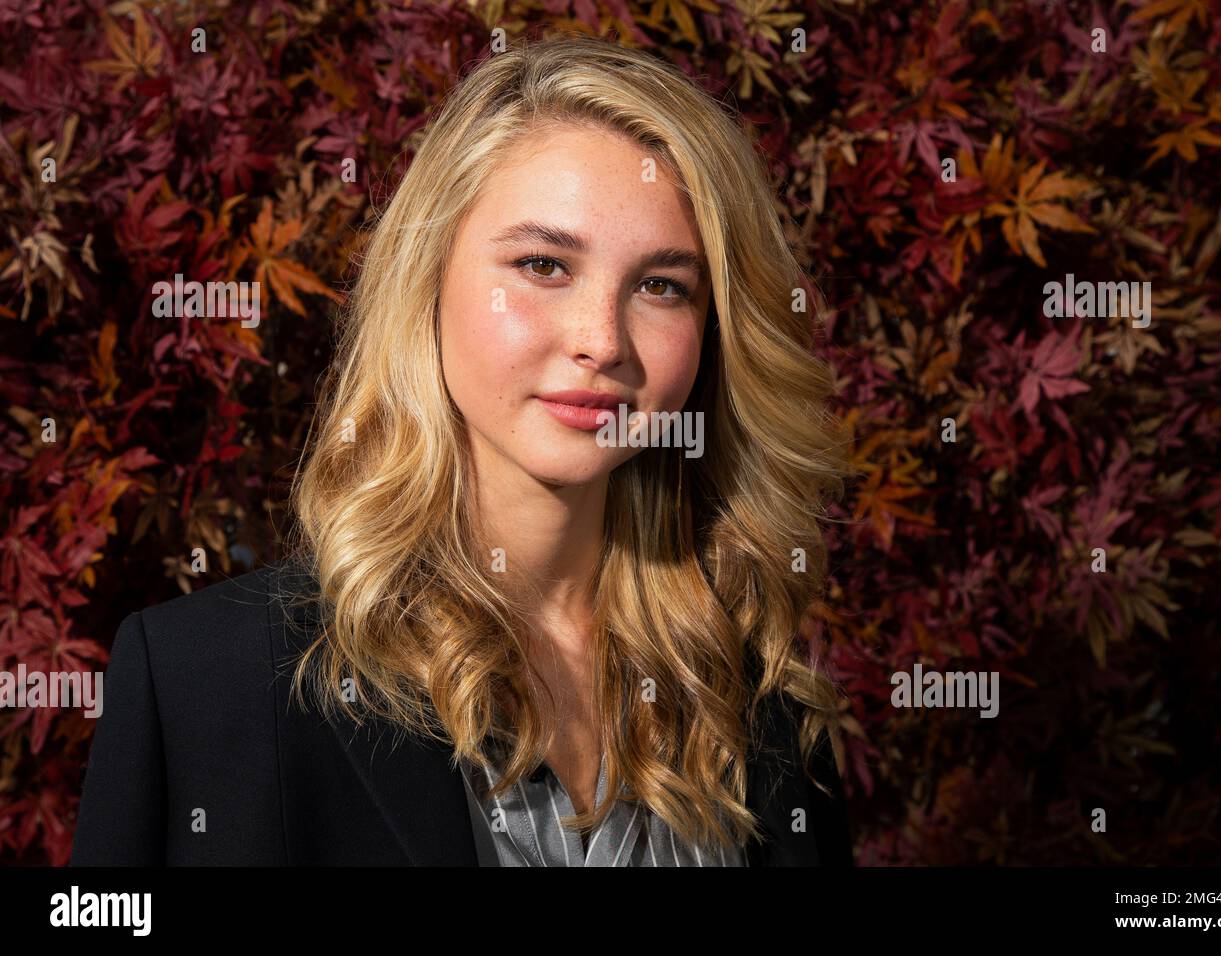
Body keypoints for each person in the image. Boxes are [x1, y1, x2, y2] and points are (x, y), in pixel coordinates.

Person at [71, 32, 854, 867]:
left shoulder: (761, 703)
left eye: (662, 286)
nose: (601, 341)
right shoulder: (208, 681)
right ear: (428, 280)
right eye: (543, 264)